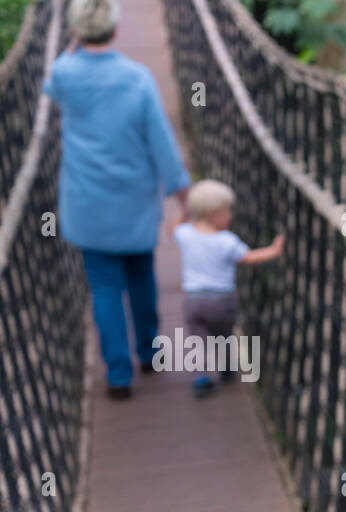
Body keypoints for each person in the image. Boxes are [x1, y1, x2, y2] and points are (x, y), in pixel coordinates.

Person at [43, 0, 190, 400]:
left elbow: (48, 85)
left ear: (76, 30)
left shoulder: (64, 73)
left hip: (87, 204)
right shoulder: (137, 78)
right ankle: (149, 351)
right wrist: (181, 189)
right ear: (115, 31)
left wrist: (72, 46)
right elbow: (160, 140)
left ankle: (119, 375)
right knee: (142, 275)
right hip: (134, 200)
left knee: (104, 287)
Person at [170, 179, 283, 396]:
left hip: (193, 301)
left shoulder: (186, 235)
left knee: (198, 341)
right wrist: (273, 251)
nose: (231, 215)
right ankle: (227, 368)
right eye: (227, 211)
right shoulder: (227, 240)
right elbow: (248, 257)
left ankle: (201, 378)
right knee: (223, 337)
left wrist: (184, 211)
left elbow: (173, 228)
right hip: (221, 302)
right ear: (213, 213)